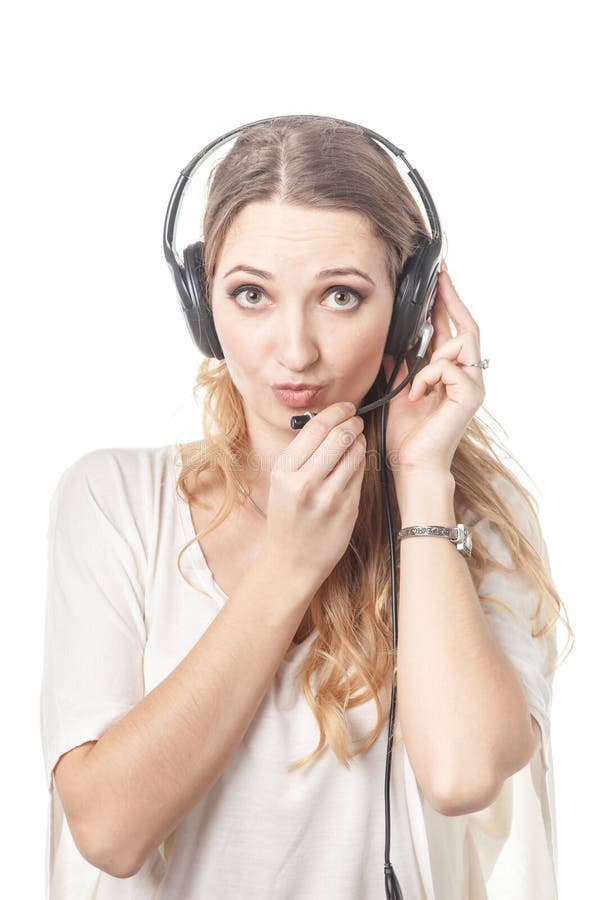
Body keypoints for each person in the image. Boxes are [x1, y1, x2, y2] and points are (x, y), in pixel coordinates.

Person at [40, 116, 572, 899]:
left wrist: (423, 480)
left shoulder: (476, 522)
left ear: (408, 307)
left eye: (341, 296)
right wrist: (289, 565)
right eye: (251, 294)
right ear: (202, 305)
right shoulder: (113, 501)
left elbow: (461, 775)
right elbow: (109, 833)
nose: (295, 350)